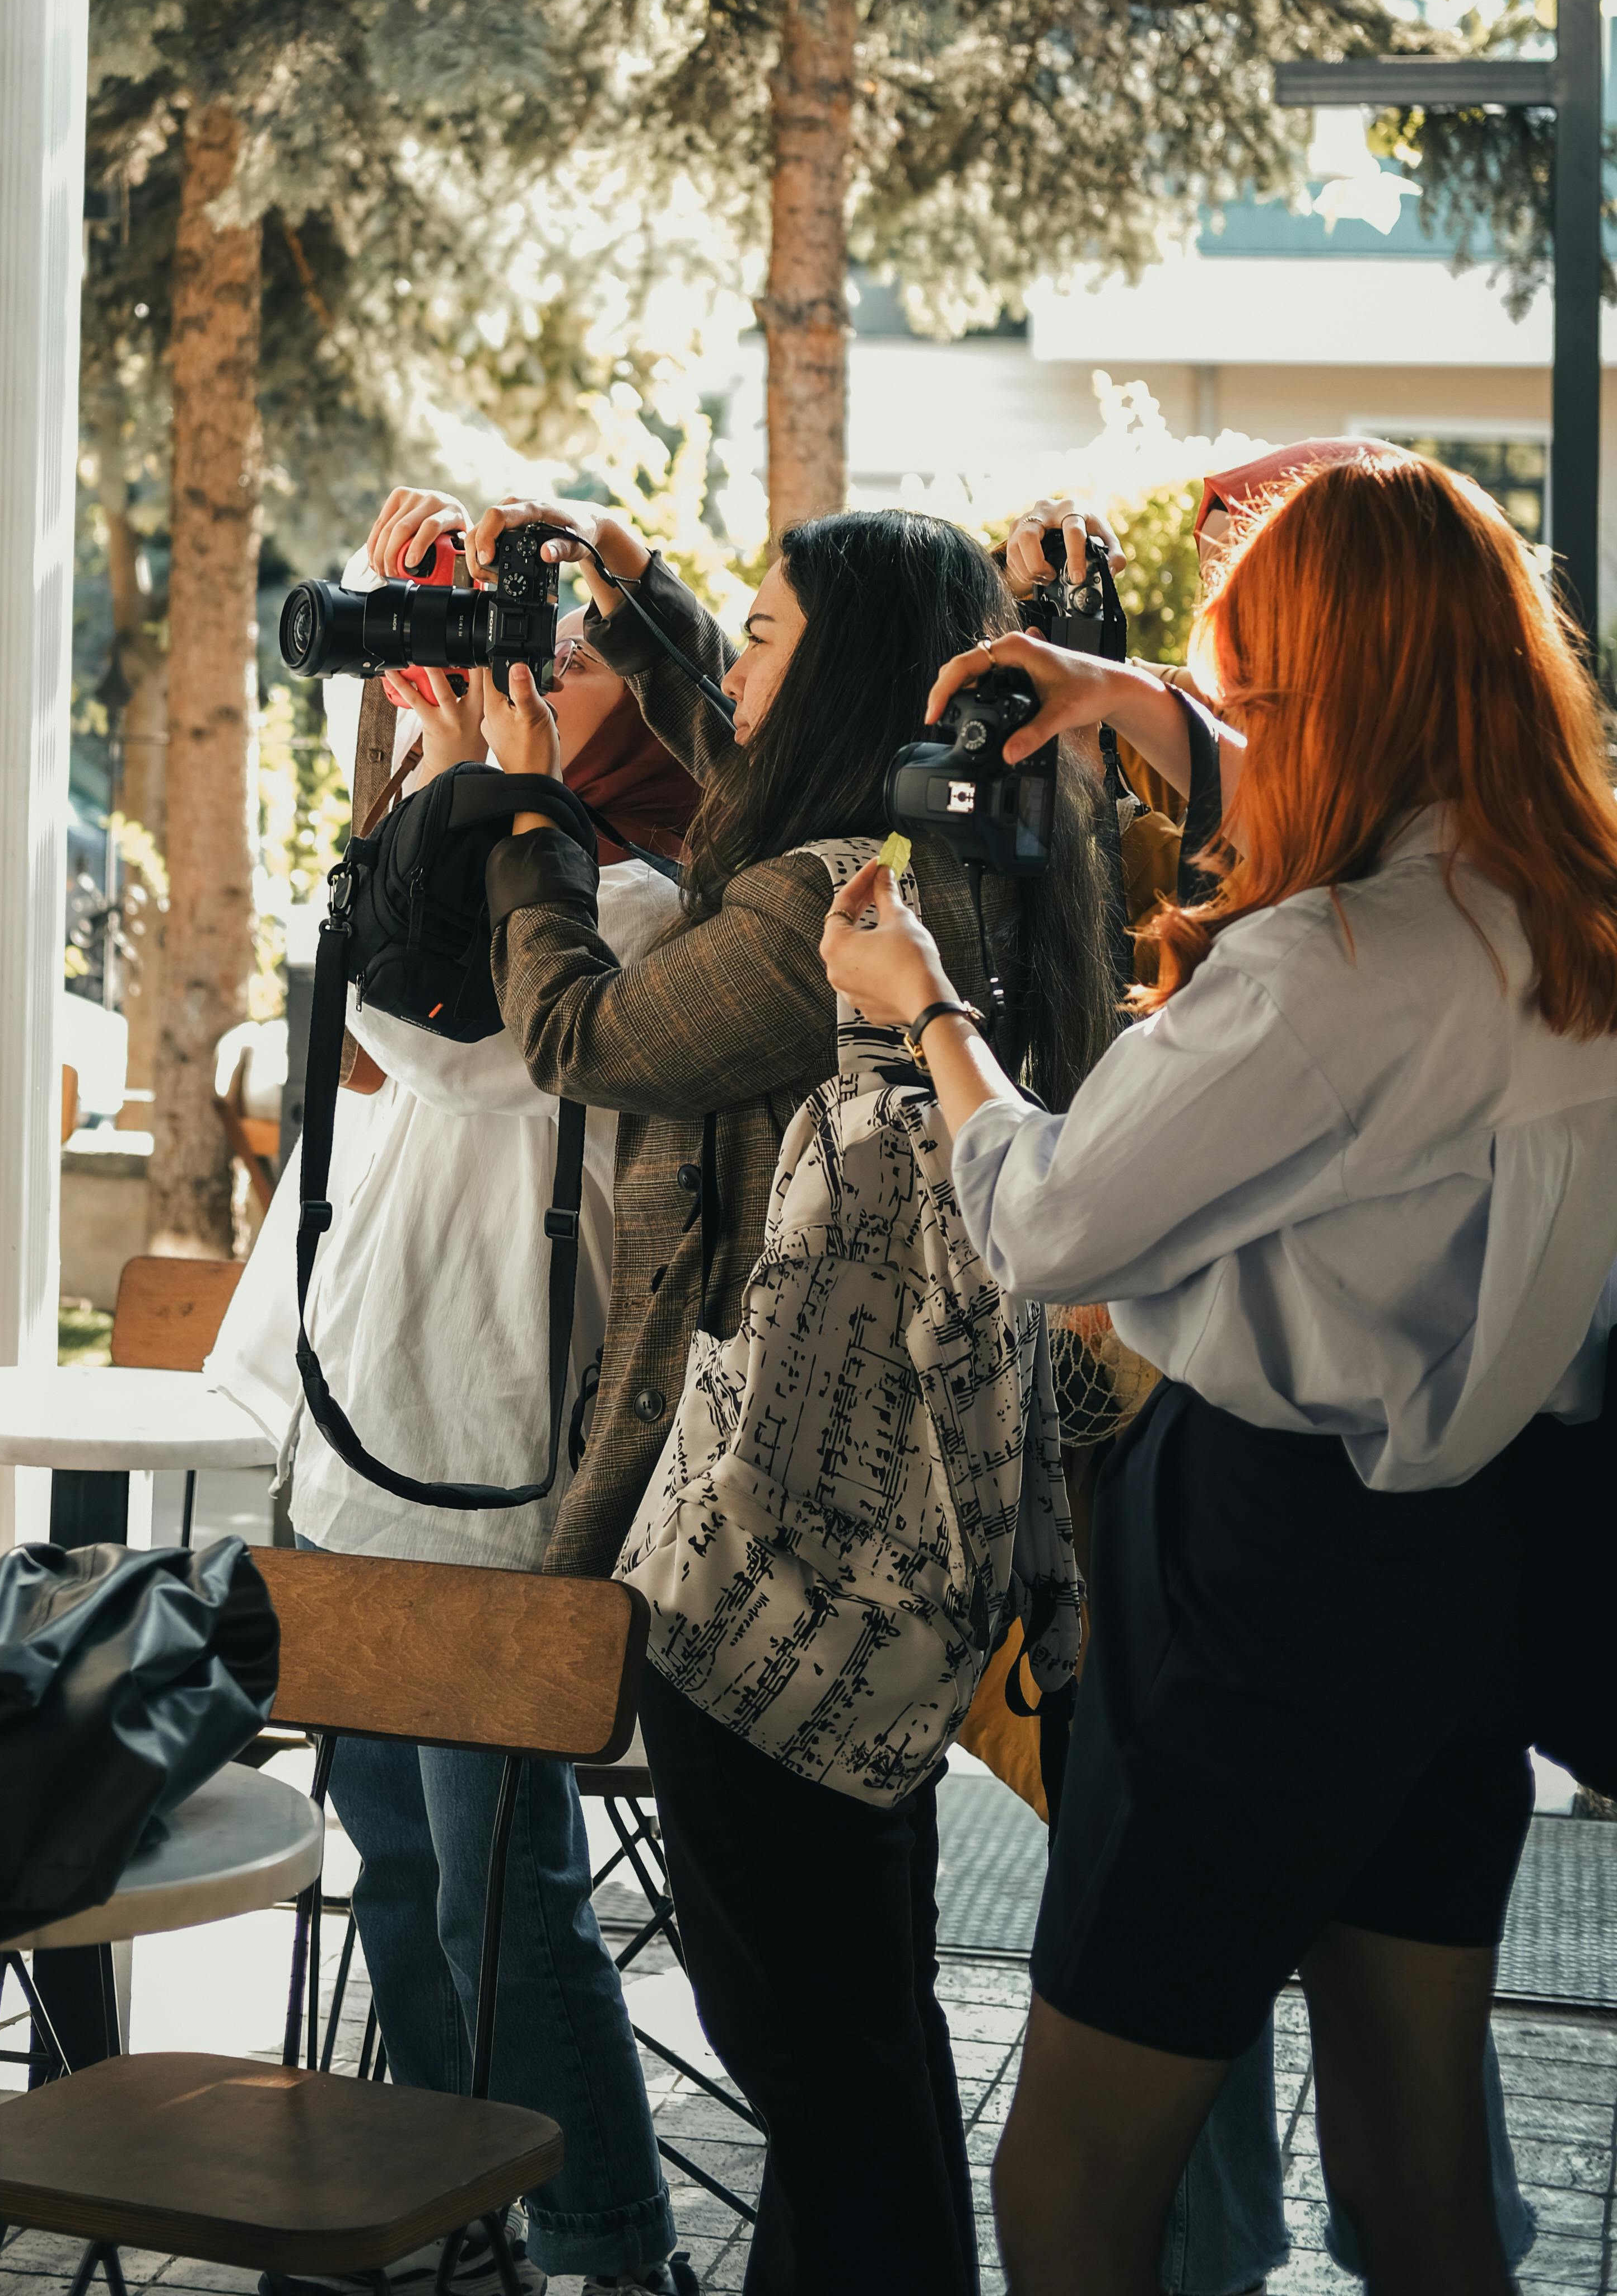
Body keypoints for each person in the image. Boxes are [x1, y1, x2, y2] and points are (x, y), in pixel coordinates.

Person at [820, 451, 1617, 2296]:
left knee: (1070, 2179)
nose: (1233, 708)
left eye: (1251, 680)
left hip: (1265, 1586)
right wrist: (1141, 710)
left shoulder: (1325, 976)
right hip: (1466, 1575)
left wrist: (923, 1007)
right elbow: (1388, 828)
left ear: (1338, 693)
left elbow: (1050, 1221)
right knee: (1420, 2171)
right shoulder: (1558, 912)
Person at [465, 491, 1120, 2296]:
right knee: (856, 2007)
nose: (721, 670)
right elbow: (752, 738)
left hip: (768, 1519)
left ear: (841, 683)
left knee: (808, 2042)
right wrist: (647, 595)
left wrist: (519, 816)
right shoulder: (990, 845)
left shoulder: (825, 902)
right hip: (902, 1524)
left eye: (762, 634)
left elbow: (584, 1037)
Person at [209, 489, 701, 2293]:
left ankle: (605, 2244)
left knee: (507, 1900)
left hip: (498, 1454)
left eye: (558, 663)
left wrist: (484, 779)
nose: (516, 684)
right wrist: (414, 681)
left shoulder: (635, 906)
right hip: (370, 1442)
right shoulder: (457, 848)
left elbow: (453, 1039)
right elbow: (372, 974)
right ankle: (453, 2213)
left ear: (635, 707)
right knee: (402, 1868)